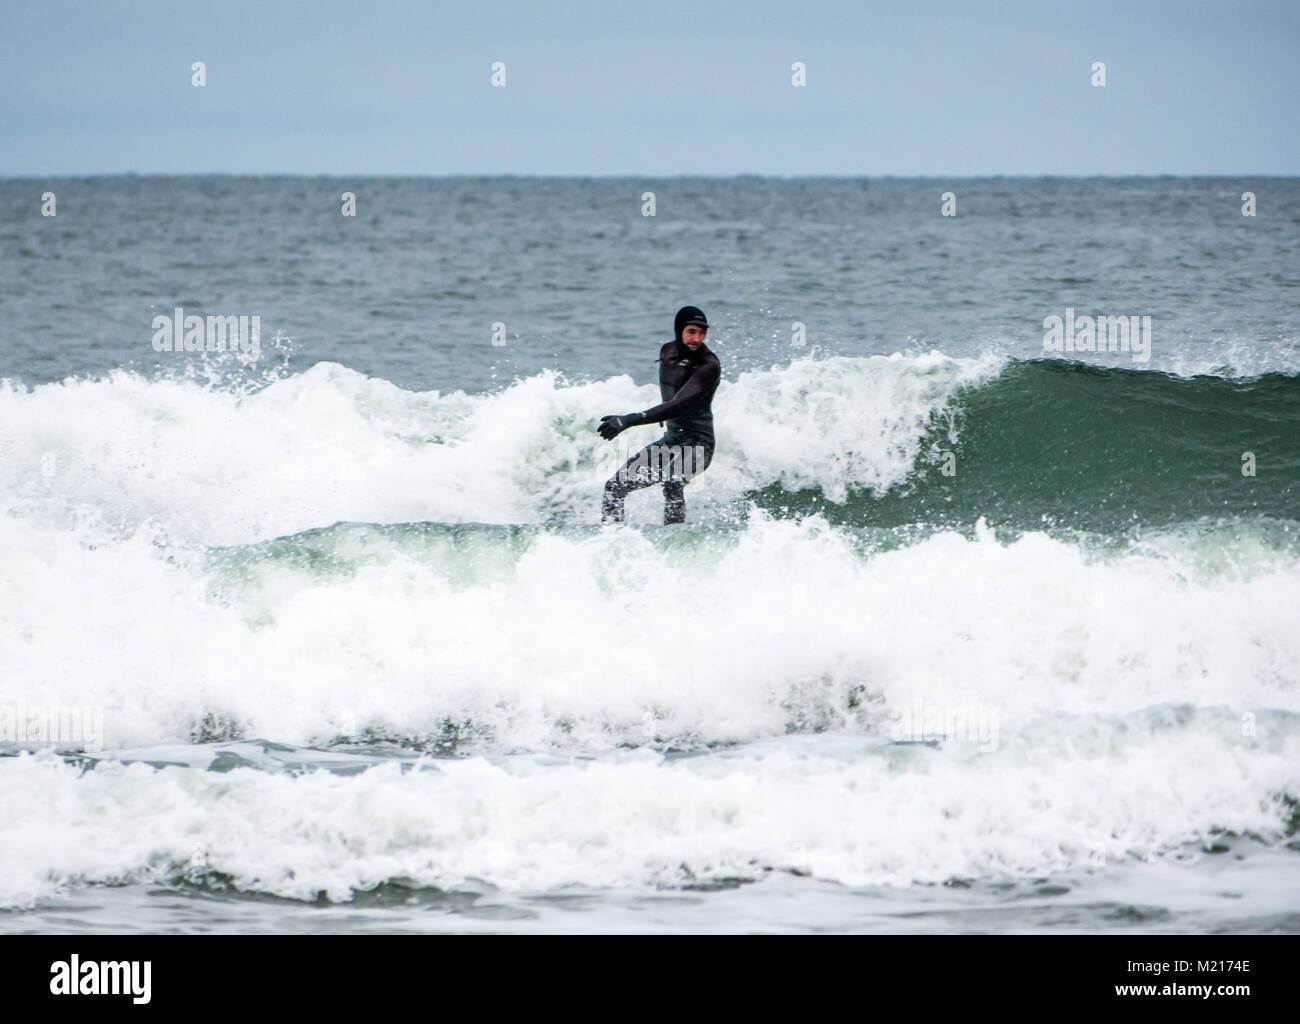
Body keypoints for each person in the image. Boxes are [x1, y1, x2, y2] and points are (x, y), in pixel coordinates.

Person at [597, 305, 721, 524]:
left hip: (700, 444)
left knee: (672, 482)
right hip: (672, 440)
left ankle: (675, 544)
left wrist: (629, 420)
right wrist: (662, 417)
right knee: (614, 488)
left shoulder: (708, 365)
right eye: (691, 331)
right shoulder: (667, 352)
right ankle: (609, 542)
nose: (697, 338)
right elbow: (670, 392)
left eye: (702, 333)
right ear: (679, 330)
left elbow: (679, 404)